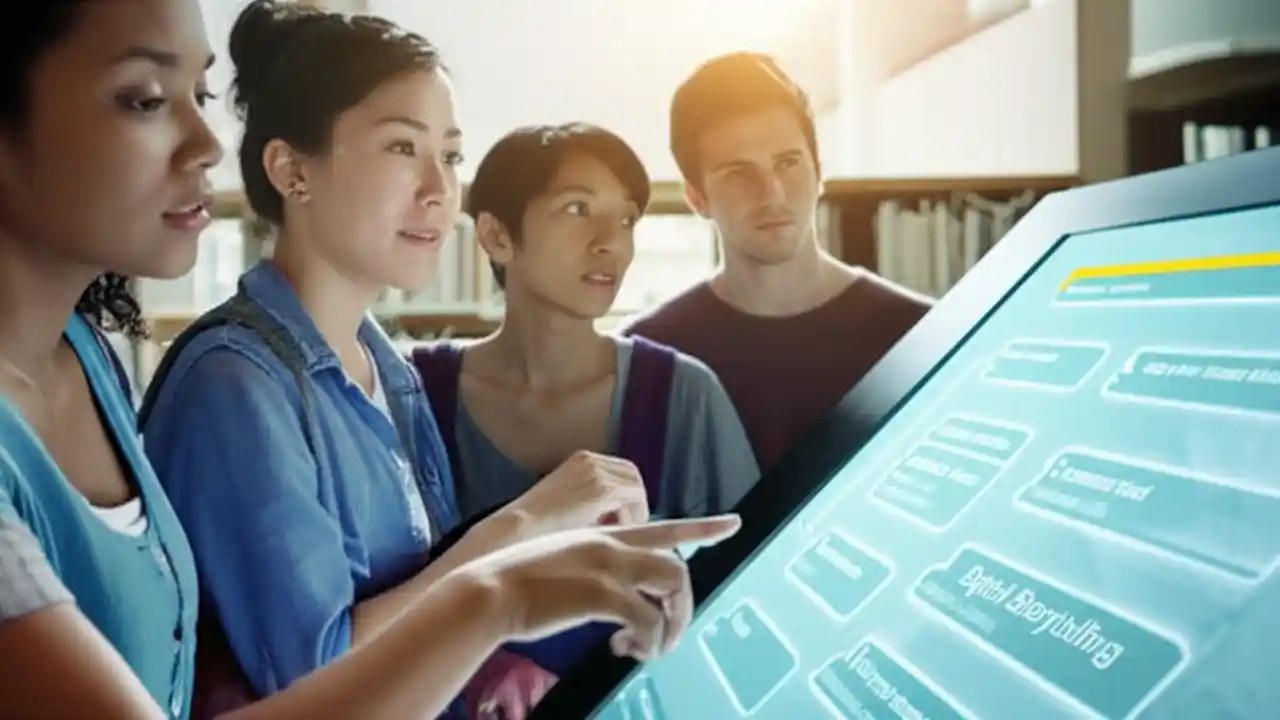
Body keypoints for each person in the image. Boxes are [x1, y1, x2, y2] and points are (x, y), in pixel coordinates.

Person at [0, 0, 739, 718]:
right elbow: (318, 676)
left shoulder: (388, 374)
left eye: (450, 155)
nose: (439, 189)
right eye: (402, 148)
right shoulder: (234, 384)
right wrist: (519, 538)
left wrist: (506, 639)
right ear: (292, 171)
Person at [414, 123, 759, 525]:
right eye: (577, 209)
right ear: (497, 236)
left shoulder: (682, 395)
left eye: (627, 220)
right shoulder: (414, 394)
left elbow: (759, 553)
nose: (610, 243)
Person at [622, 53, 933, 474]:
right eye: (738, 173)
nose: (772, 194)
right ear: (697, 198)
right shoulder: (647, 359)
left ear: (818, 171)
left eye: (787, 163)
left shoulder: (923, 335)